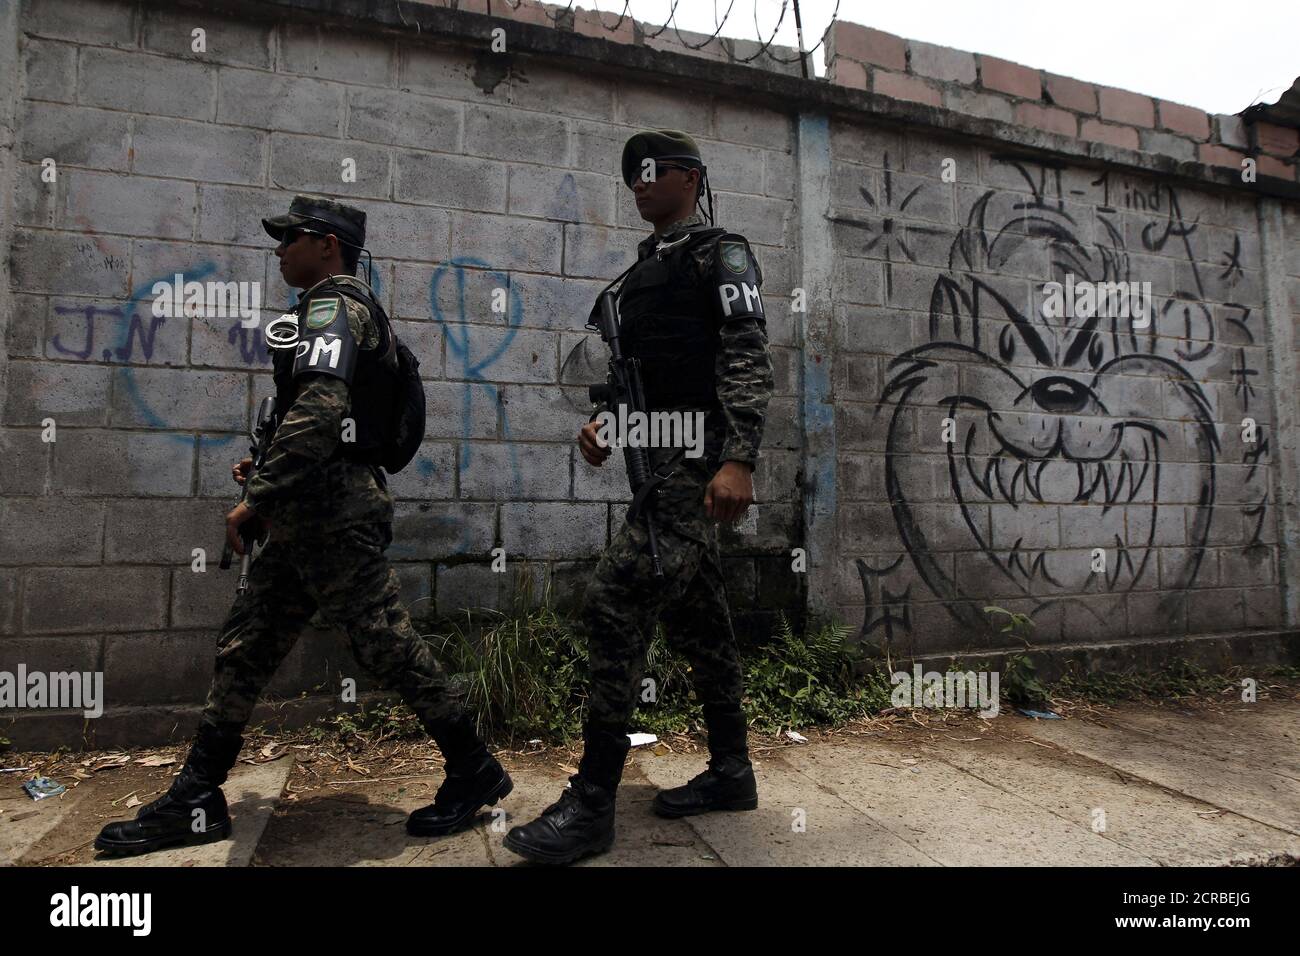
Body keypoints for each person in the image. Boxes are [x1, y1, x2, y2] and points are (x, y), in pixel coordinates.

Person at [95, 196, 510, 856]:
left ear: (327, 244)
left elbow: (320, 410)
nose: (280, 250)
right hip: (308, 513)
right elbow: (311, 419)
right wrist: (268, 470)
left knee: (385, 644)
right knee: (247, 647)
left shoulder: (332, 305)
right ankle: (197, 795)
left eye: (290, 238)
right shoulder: (325, 309)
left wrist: (258, 495)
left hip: (334, 516)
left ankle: (473, 766)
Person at [504, 131, 775, 865]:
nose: (639, 184)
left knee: (614, 602)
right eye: (631, 176)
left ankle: (593, 803)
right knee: (701, 618)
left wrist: (739, 458)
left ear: (691, 178)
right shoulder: (638, 277)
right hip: (657, 459)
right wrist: (606, 424)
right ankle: (732, 770)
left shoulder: (722, 254)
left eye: (652, 172)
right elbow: (643, 379)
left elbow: (747, 355)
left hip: (697, 463)